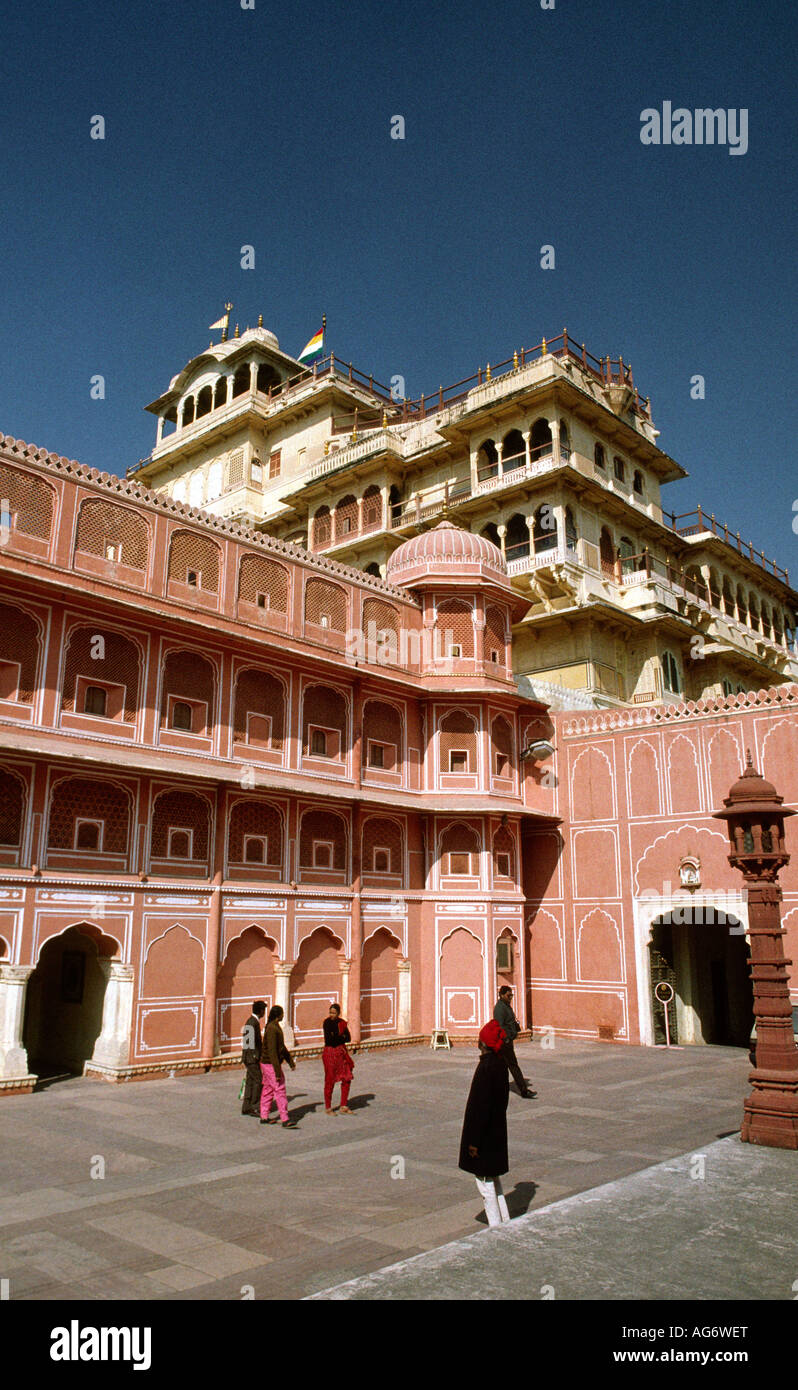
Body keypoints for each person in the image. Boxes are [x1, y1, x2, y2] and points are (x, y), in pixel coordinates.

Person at [458, 1020, 511, 1227]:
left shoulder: (485, 1068)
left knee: (485, 1184)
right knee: (494, 1181)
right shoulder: (500, 1064)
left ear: (484, 1044)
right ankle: (506, 1220)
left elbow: (479, 1108)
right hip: (496, 1131)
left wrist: (474, 1142)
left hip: (484, 1136)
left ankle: (496, 1226)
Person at [259, 1004, 298, 1128]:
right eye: (282, 1014)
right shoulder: (272, 1029)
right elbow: (273, 1051)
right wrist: (277, 1071)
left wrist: (290, 1061)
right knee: (279, 1089)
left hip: (267, 1063)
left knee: (268, 1089)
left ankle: (264, 1115)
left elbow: (281, 1047)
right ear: (278, 1015)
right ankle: (285, 1118)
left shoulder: (274, 1027)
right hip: (270, 1064)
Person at [493, 985, 535, 1098]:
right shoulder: (500, 1008)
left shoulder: (505, 1006)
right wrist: (506, 1038)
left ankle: (497, 1089)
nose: (510, 997)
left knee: (502, 1067)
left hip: (507, 1040)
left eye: (511, 995)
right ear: (502, 995)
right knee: (513, 1065)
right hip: (504, 1042)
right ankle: (523, 1090)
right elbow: (499, 1026)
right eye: (508, 995)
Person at [322, 1002, 355, 1114]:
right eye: (330, 1012)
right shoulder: (327, 1023)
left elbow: (348, 1038)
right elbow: (329, 1040)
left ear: (338, 1013)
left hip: (341, 1053)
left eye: (334, 1013)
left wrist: (338, 1037)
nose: (331, 1015)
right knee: (330, 1079)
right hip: (330, 1053)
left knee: (347, 1078)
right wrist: (341, 1037)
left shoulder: (341, 1023)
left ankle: (343, 1105)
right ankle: (328, 1107)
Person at [241, 1000, 266, 1116]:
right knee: (258, 1080)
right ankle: (255, 1106)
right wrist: (255, 1055)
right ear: (261, 1011)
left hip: (250, 1057)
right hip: (251, 1058)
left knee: (250, 1081)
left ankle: (246, 1106)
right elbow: (248, 1041)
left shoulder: (252, 1021)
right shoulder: (252, 1023)